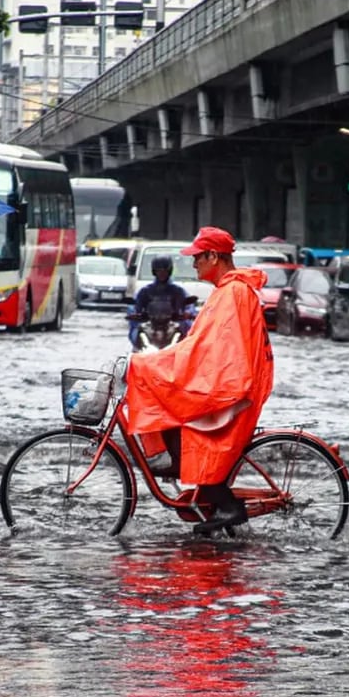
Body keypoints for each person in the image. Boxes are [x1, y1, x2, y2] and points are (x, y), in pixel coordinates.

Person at [124, 227, 274, 535]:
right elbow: (207, 345)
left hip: (232, 386)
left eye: (197, 258)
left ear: (214, 256)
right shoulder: (229, 290)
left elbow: (216, 351)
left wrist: (158, 364)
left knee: (182, 415)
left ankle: (226, 504)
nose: (194, 265)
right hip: (230, 379)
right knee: (163, 390)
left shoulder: (233, 293)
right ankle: (204, 493)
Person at [128, 255, 192, 349]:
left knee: (187, 341)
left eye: (164, 271)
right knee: (136, 335)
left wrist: (188, 314)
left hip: (173, 329)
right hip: (150, 328)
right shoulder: (145, 291)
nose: (162, 273)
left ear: (169, 271)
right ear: (154, 271)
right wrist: (135, 315)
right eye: (159, 270)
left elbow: (189, 307)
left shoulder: (178, 291)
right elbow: (135, 307)